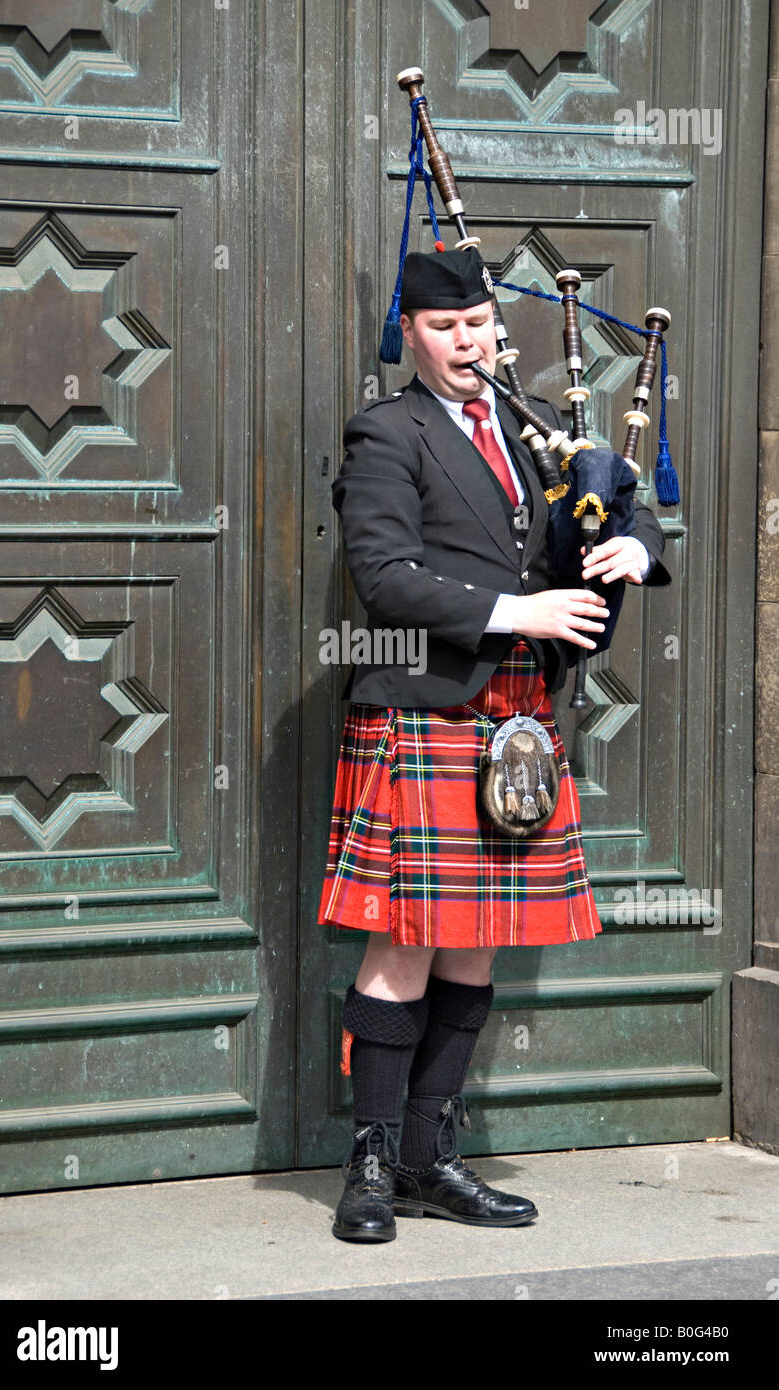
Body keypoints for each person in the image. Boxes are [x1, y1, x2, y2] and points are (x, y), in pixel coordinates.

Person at [318, 248, 669, 1242]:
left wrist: (630, 547)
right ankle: (372, 1163)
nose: (467, 341)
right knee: (405, 940)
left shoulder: (536, 428)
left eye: (477, 324)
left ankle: (432, 1155)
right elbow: (381, 576)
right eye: (444, 327)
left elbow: (618, 497)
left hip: (516, 722)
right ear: (413, 334)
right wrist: (518, 606)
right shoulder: (387, 432)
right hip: (426, 708)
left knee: (474, 947)